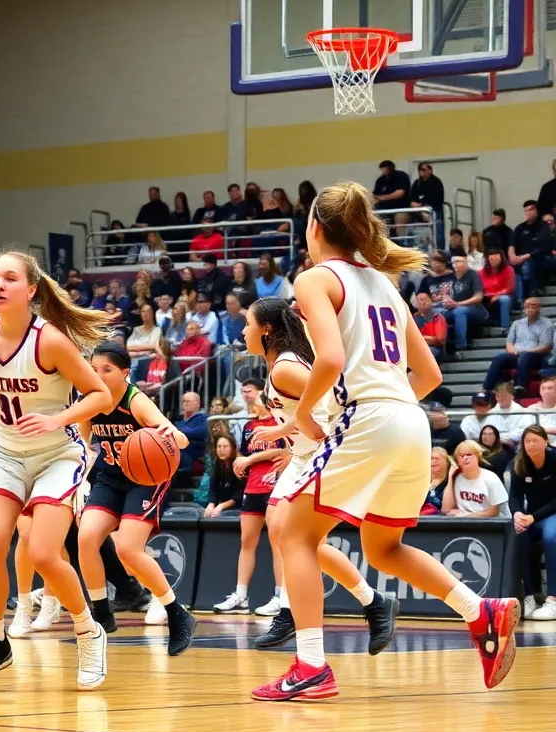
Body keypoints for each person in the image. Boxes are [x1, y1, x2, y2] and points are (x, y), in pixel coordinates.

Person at [253, 180, 519, 701]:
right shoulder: (383, 282)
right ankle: (479, 610)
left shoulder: (314, 278)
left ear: (314, 227)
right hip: (411, 420)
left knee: (293, 533)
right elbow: (430, 375)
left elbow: (331, 360)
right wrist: (388, 408)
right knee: (384, 547)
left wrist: (306, 413)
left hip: (368, 417)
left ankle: (311, 666)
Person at [0, 250, 112, 692]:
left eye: (9, 278)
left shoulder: (50, 340)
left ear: (31, 290)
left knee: (44, 554)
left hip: (56, 454)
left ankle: (88, 630)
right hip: (3, 452)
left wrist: (56, 419)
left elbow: (100, 395)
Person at [241, 297, 398, 650]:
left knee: (291, 534)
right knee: (286, 533)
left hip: (322, 452)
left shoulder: (285, 367)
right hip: (301, 455)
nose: (243, 331)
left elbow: (333, 398)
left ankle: (293, 612)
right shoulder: (278, 364)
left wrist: (308, 432)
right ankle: (373, 602)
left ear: (266, 329)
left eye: (248, 324)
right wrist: (283, 431)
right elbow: (307, 406)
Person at [75, 342, 196, 653]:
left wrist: (170, 434)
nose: (98, 375)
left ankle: (177, 614)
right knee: (86, 537)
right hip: (110, 478)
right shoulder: (90, 400)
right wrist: (75, 482)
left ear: (125, 372)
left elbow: (180, 440)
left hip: (145, 479)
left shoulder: (136, 401)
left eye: (107, 369)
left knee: (128, 549)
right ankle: (102, 613)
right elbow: (81, 446)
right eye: (94, 369)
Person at [212, 381, 288, 615]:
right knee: (246, 541)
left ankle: (280, 596)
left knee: (277, 542)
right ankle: (241, 596)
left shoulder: (280, 421)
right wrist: (240, 462)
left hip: (275, 485)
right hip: (253, 487)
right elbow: (244, 453)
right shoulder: (249, 426)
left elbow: (286, 450)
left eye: (257, 399)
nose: (253, 402)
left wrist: (250, 459)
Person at [509, 426, 556, 620]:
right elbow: (514, 496)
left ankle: (553, 599)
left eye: (535, 440)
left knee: (551, 538)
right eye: (527, 441)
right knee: (518, 536)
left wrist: (533, 517)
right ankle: (529, 596)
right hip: (532, 516)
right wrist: (517, 514)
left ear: (546, 441)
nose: (531, 445)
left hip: (552, 513)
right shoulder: (519, 463)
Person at [442, 441, 508, 518]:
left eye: (469, 455)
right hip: (465, 522)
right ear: (457, 461)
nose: (465, 458)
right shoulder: (456, 478)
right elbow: (446, 510)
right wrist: (450, 478)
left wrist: (469, 516)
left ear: (478, 456)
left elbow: (495, 511)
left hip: (492, 522)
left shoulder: (491, 478)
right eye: (462, 456)